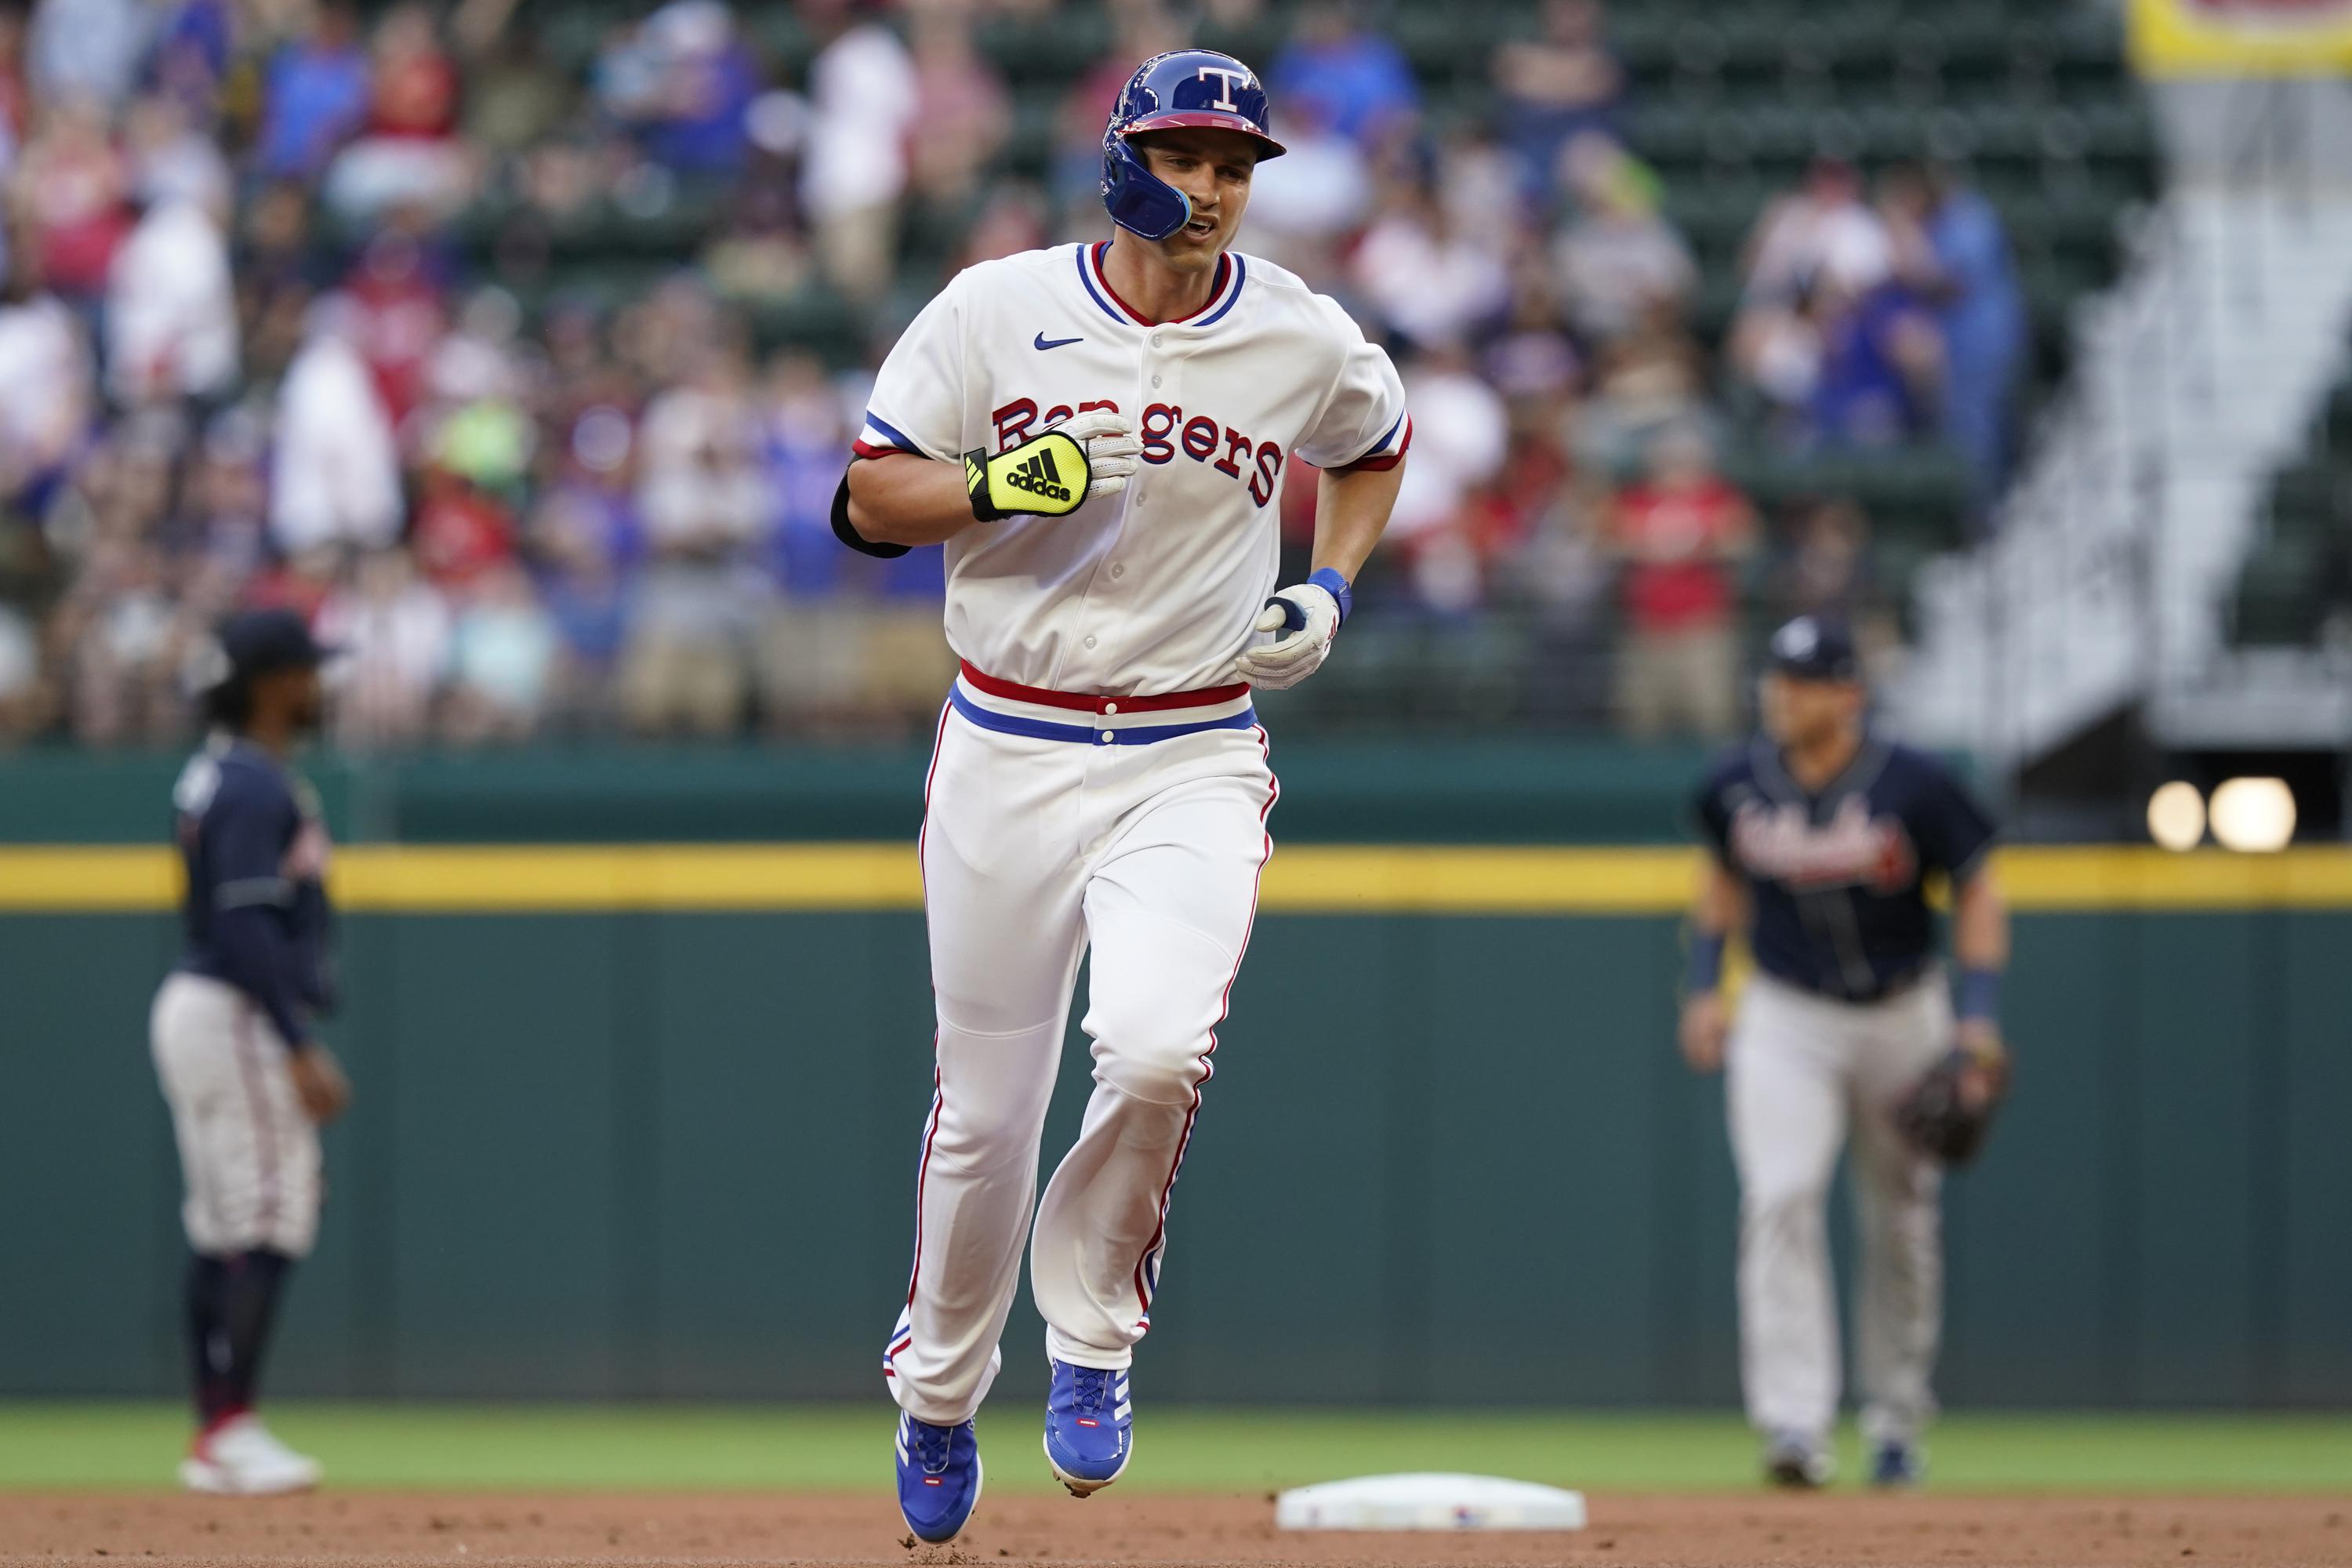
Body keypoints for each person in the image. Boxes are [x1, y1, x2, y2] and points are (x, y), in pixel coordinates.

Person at [836, 49, 1407, 1544]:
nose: (1211, 188)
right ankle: (939, 1393)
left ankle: (1091, 1336)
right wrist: (1001, 484)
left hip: (1190, 745)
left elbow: (1376, 443)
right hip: (1009, 739)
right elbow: (865, 500)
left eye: (1236, 166)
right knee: (986, 1116)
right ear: (1122, 158)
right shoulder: (995, 308)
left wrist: (1331, 587)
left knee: (1156, 1049)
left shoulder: (1295, 332)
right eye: (1186, 156)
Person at [1679, 616, 2010, 1490]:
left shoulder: (1917, 782)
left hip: (1903, 1012)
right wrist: (1705, 986)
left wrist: (1977, 1020)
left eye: (1802, 681)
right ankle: (1794, 1422)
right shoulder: (1735, 781)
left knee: (1901, 1216)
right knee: (1780, 1196)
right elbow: (1721, 878)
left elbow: (1978, 889)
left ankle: (1896, 1417)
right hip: (1785, 1013)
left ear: (1849, 693)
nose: (1781, 696)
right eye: (1776, 679)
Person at [151, 608, 352, 1494]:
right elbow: (243, 923)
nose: (318, 684)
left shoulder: (228, 772)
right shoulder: (251, 784)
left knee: (226, 1221)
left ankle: (218, 1432)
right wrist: (297, 1042)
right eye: (306, 670)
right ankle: (229, 1426)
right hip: (235, 1009)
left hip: (209, 1007)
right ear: (272, 683)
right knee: (269, 1211)